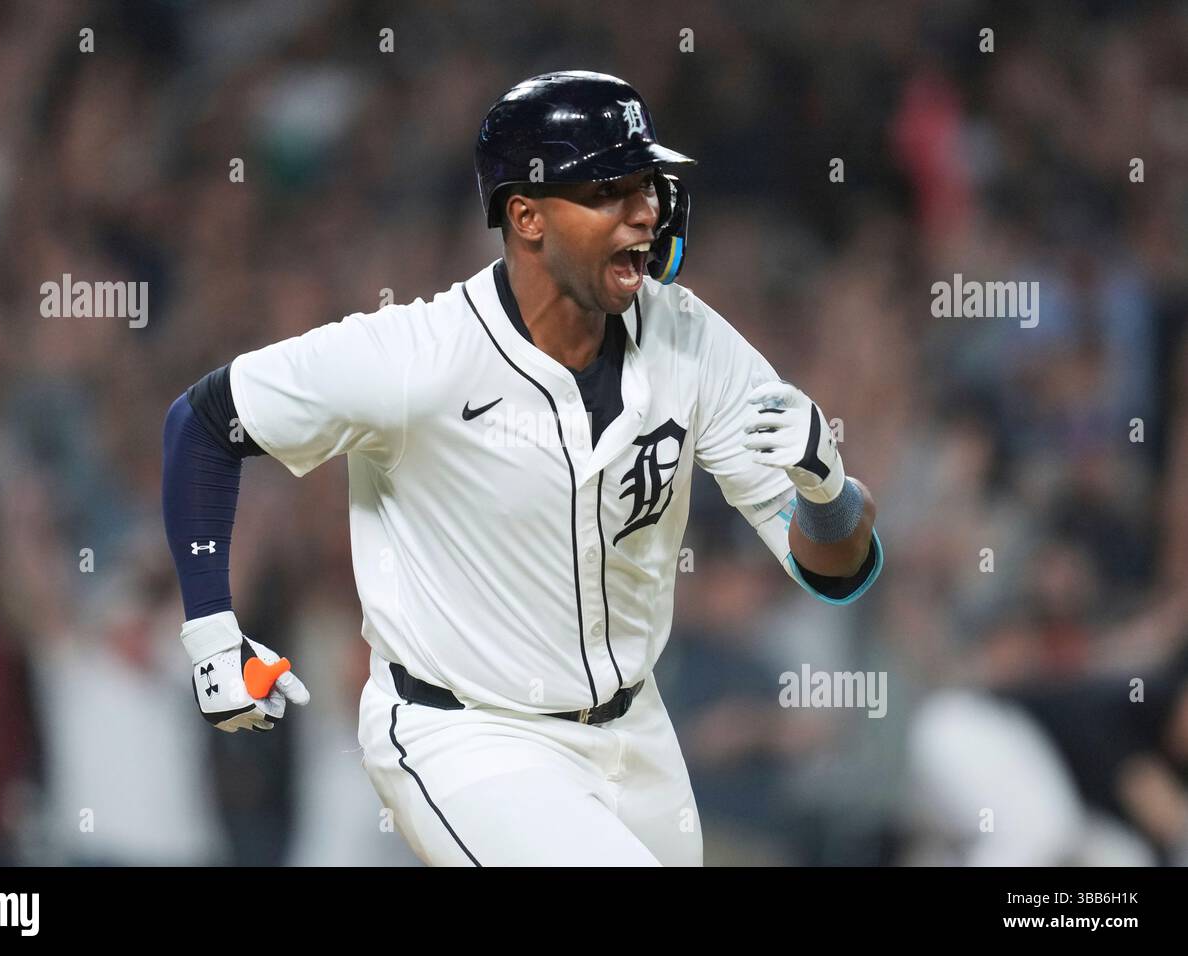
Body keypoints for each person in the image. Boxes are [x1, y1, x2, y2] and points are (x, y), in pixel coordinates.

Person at [161, 70, 882, 866]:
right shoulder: (417, 358)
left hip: (636, 734)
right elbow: (201, 423)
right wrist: (211, 633)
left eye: (647, 182)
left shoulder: (688, 338)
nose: (645, 210)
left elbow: (835, 572)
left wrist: (827, 494)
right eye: (609, 188)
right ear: (526, 215)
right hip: (466, 734)